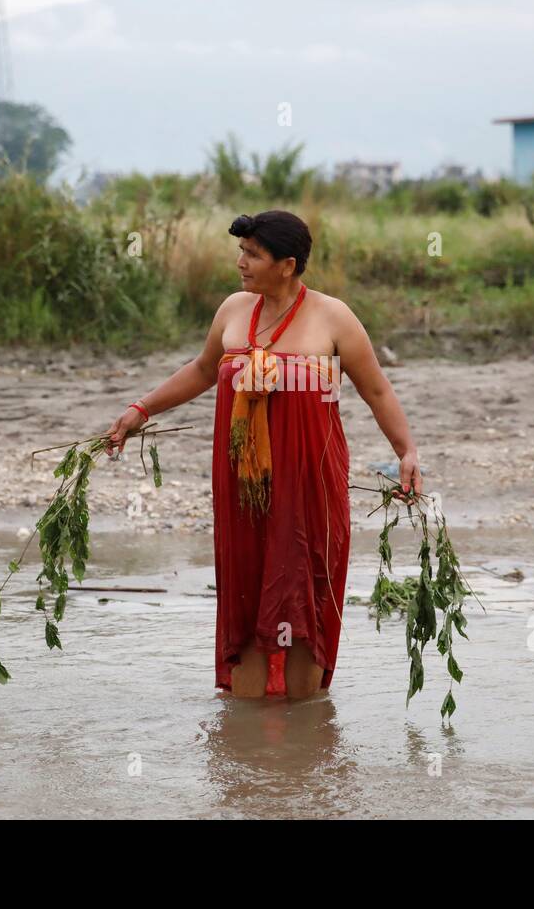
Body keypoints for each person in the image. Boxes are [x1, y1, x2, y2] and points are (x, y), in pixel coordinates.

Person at [105, 209, 422, 700]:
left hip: (309, 484)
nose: (241, 262)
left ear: (288, 264)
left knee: (304, 591)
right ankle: (248, 737)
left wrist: (406, 452)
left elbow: (377, 392)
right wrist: (140, 409)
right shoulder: (234, 310)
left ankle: (306, 728)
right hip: (242, 484)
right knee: (248, 590)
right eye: (241, 251)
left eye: (253, 254)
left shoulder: (333, 317)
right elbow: (203, 369)